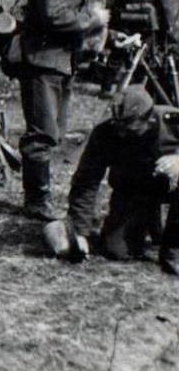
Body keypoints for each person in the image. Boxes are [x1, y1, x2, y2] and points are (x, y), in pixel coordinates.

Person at [16, 0, 121, 219]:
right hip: (42, 64)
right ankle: (36, 201)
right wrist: (93, 20)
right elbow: (54, 17)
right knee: (43, 133)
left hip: (60, 64)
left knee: (55, 132)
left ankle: (41, 196)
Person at [46, 86, 179, 275]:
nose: (122, 133)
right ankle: (147, 220)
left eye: (130, 129)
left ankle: (174, 249)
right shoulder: (105, 133)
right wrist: (80, 232)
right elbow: (86, 182)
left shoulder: (173, 122)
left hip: (170, 185)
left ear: (149, 120)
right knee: (117, 251)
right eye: (119, 126)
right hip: (134, 191)